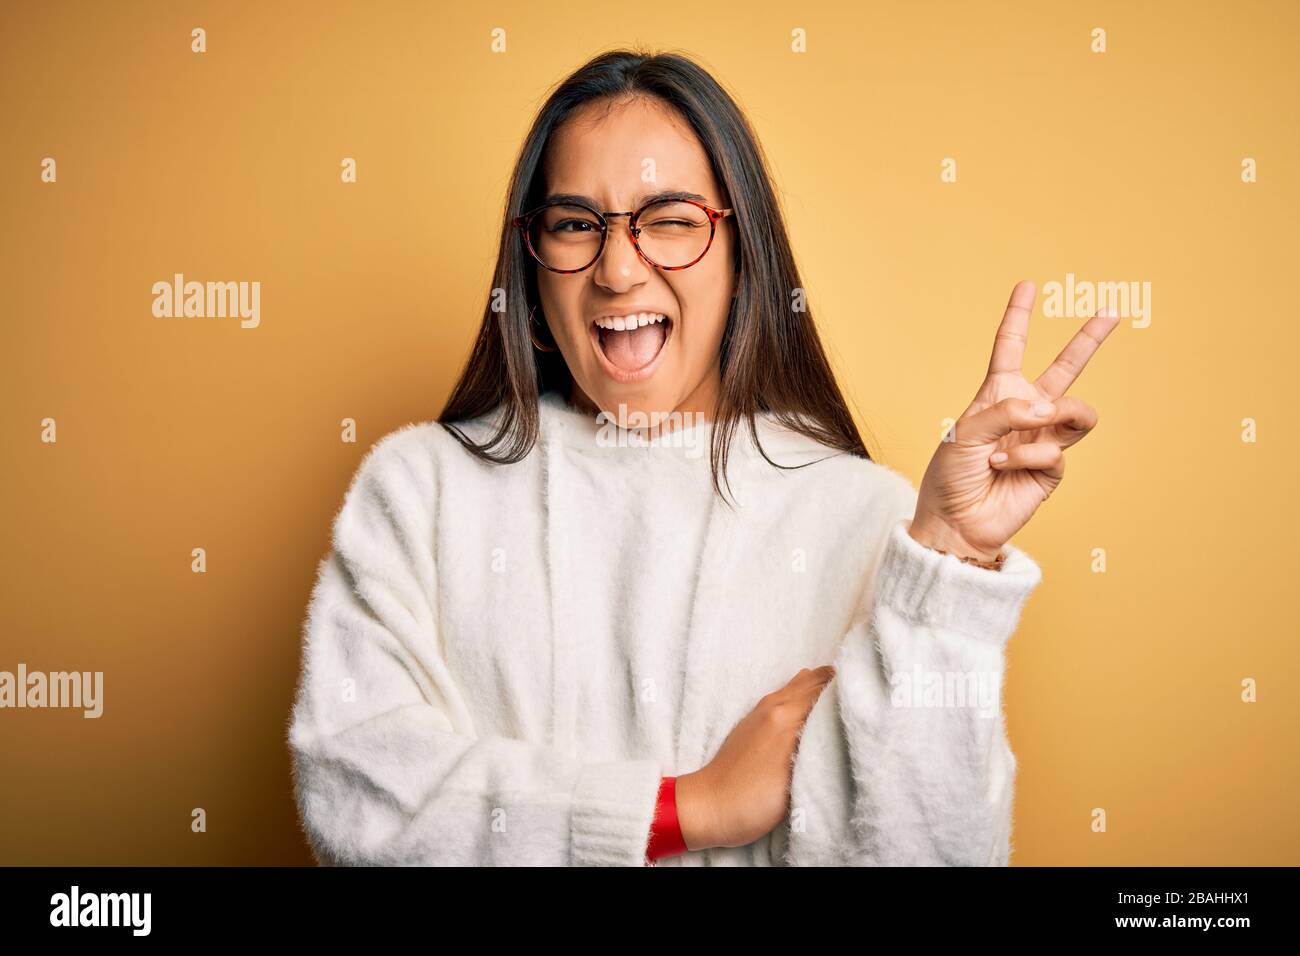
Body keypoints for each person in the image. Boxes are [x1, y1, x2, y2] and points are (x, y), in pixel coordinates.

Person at [287, 48, 1117, 866]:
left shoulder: (864, 516)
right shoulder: (420, 490)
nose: (617, 269)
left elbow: (933, 855)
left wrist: (951, 558)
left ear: (742, 259)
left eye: (672, 221)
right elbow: (359, 798)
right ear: (530, 268)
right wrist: (690, 808)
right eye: (576, 224)